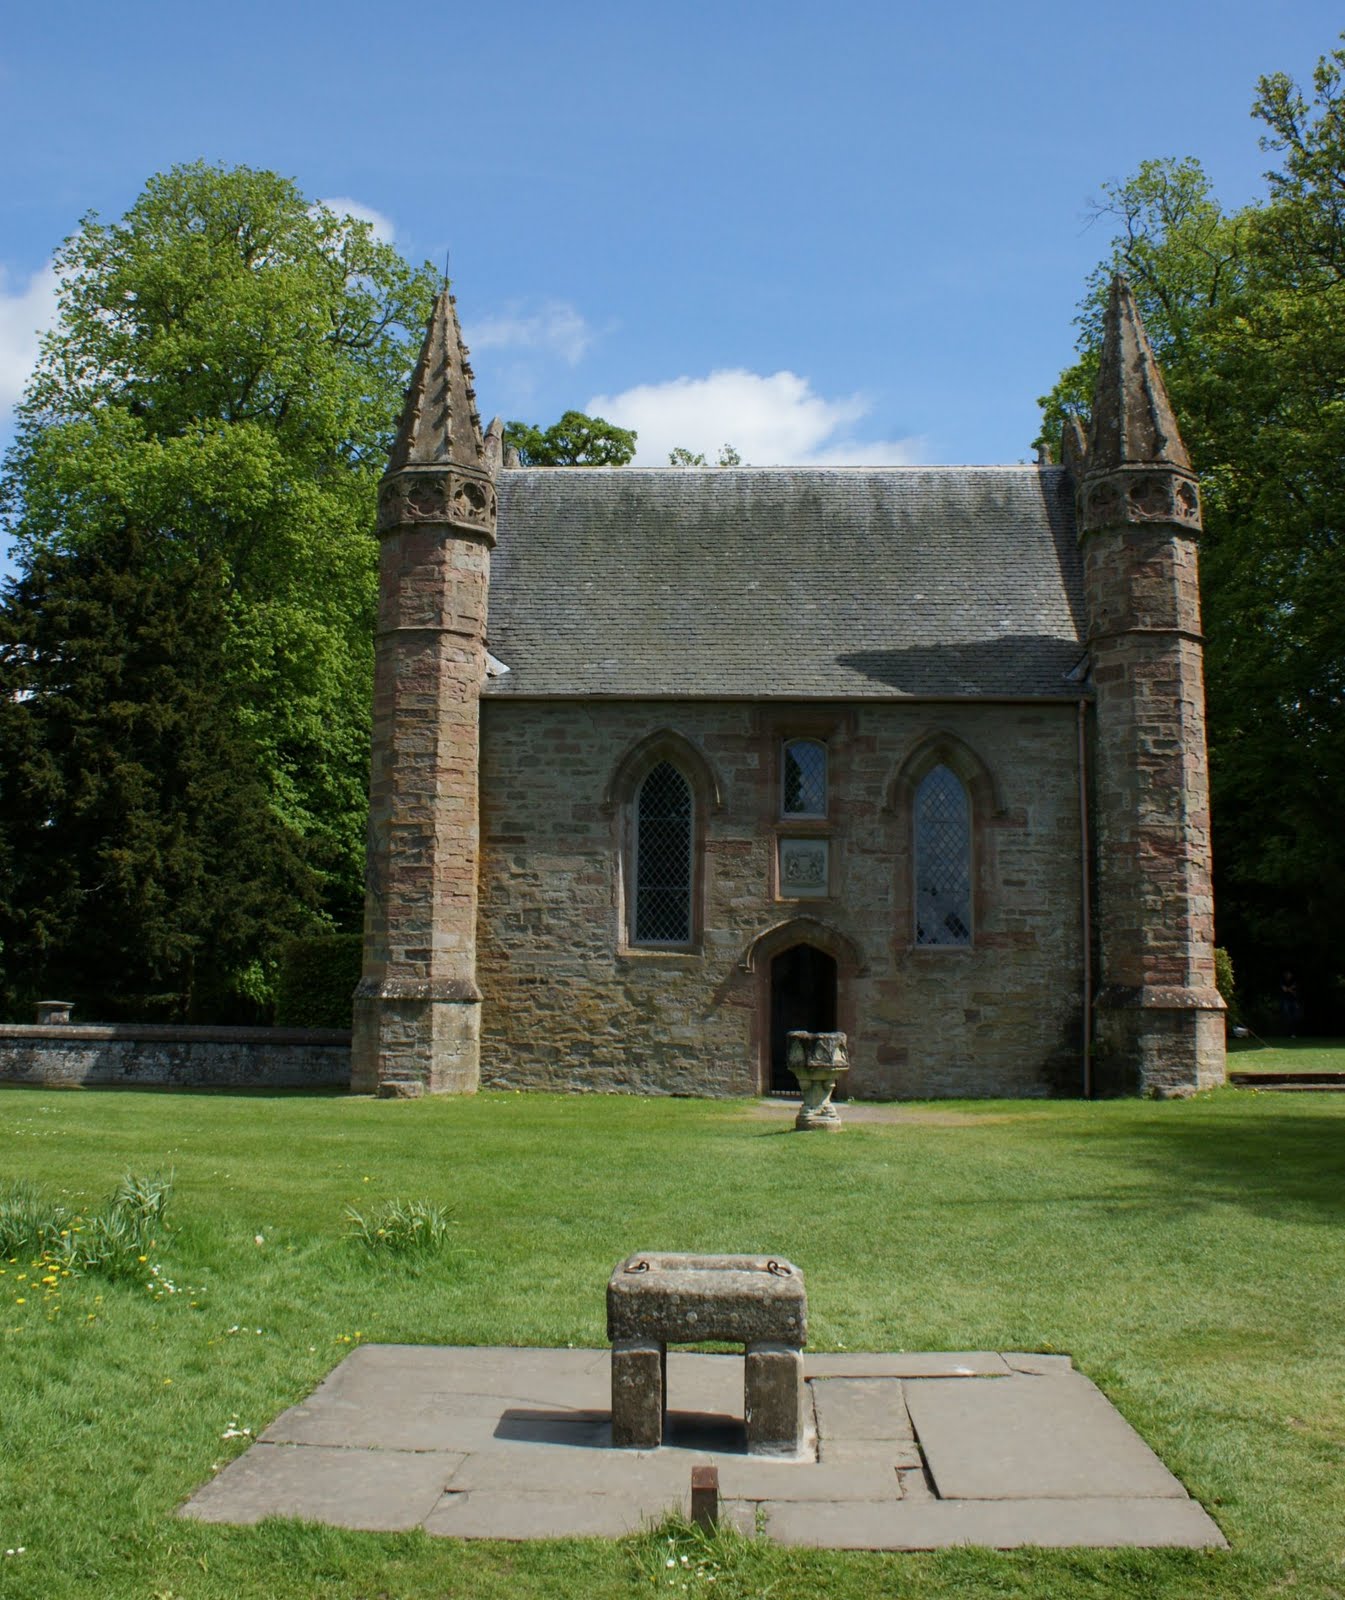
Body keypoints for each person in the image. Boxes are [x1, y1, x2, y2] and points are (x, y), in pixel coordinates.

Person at [1279, 971, 1303, 1037]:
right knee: (1287, 1016)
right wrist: (1291, 988)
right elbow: (1285, 990)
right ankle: (1287, 1033)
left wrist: (1289, 989)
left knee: (1295, 1017)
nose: (1288, 975)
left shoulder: (1294, 981)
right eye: (1287, 974)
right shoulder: (1282, 981)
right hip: (1285, 1001)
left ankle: (1293, 1033)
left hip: (1293, 1001)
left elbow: (1295, 993)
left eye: (1289, 974)